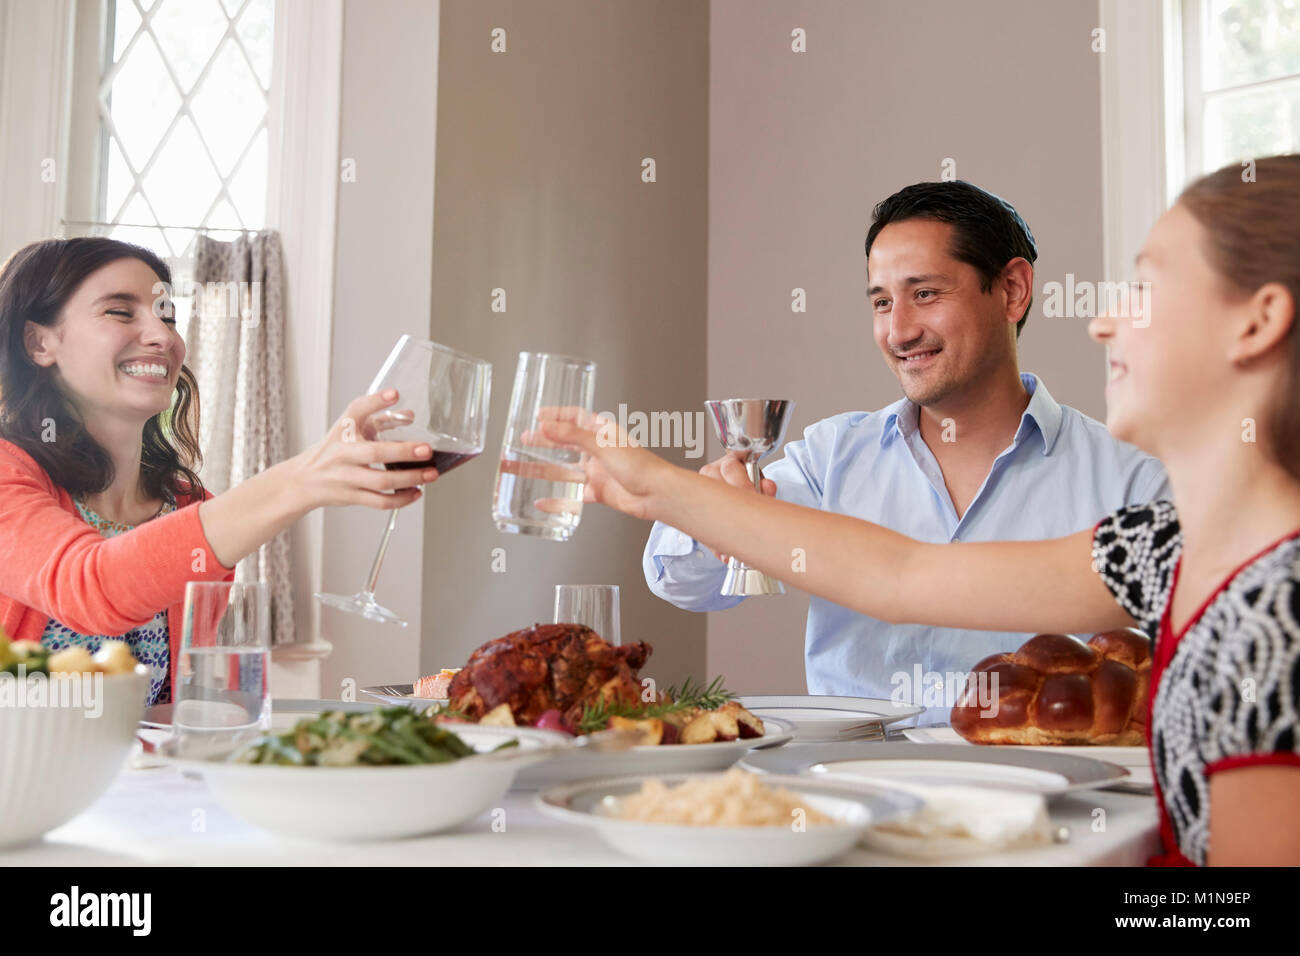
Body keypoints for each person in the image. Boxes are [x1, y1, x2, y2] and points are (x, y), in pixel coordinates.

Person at [543, 156, 1300, 866]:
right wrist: (661, 485)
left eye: (1147, 288)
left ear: (1258, 321)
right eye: (881, 300)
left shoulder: (1275, 602)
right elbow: (902, 574)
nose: (1104, 322)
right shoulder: (1164, 546)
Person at [643, 181, 1167, 720]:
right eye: (881, 302)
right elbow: (680, 582)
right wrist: (713, 516)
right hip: (857, 793)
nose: (898, 332)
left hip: (1049, 793)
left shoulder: (1132, 482)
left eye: (925, 294)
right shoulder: (831, 459)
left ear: (1012, 289)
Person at [0, 237, 439, 704]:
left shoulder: (187, 503)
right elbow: (93, 587)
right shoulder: (10, 472)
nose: (164, 336)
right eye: (120, 312)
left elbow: (178, 705)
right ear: (39, 342)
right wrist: (300, 480)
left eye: (167, 315)